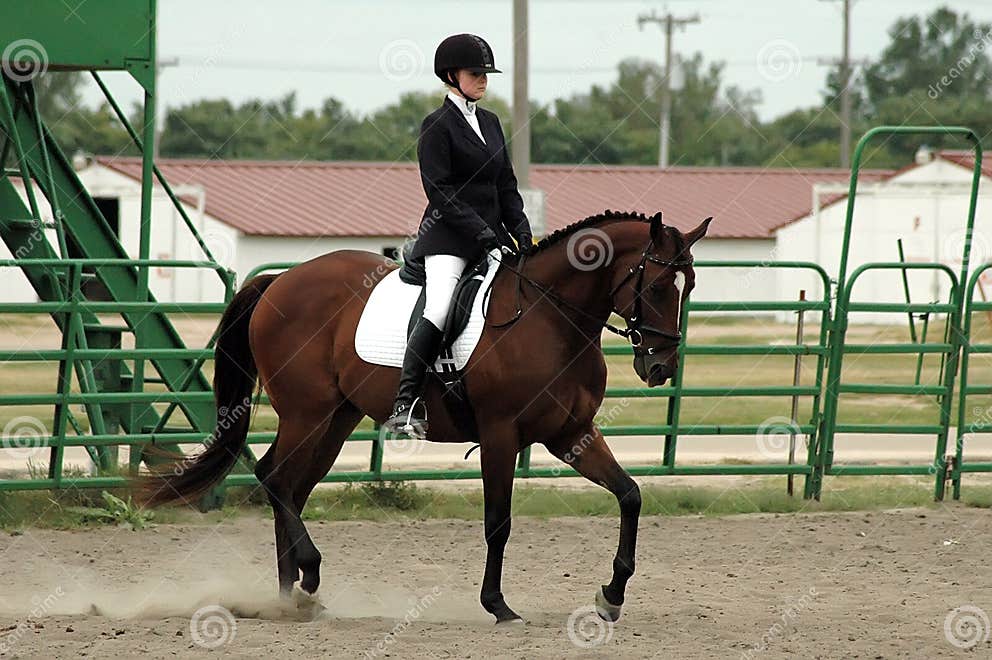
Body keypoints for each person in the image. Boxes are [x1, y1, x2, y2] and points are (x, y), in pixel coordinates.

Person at [382, 33, 533, 439]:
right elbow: (441, 192)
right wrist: (482, 233)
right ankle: (407, 401)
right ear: (451, 75)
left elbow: (506, 184)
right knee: (441, 306)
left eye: (486, 73)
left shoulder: (491, 122)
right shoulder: (437, 126)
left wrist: (521, 230)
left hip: (494, 238)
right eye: (475, 73)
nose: (483, 79)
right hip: (448, 240)